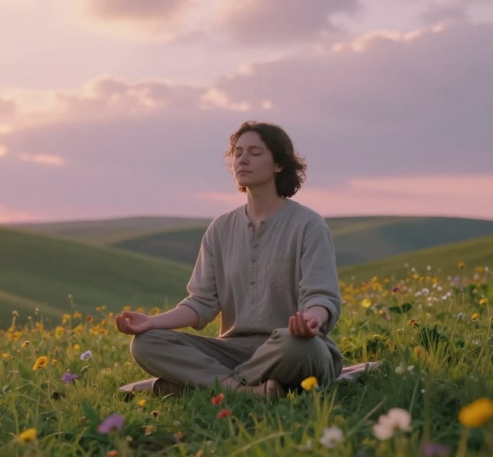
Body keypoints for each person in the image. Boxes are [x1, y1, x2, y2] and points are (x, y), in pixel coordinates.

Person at [116, 121, 343, 399]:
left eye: (255, 152)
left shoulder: (309, 224)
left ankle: (198, 384)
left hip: (290, 346)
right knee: (145, 344)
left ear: (279, 165)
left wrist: (310, 322)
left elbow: (322, 297)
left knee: (300, 348)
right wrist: (152, 322)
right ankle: (244, 390)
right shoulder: (220, 228)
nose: (242, 159)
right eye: (238, 152)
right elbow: (201, 303)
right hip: (230, 350)